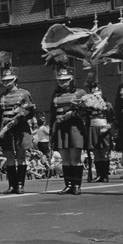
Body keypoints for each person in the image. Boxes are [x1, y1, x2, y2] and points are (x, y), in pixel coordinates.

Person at [0, 64, 36, 194]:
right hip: (6, 128)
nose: (6, 82)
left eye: (8, 80)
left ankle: (21, 185)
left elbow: (31, 111)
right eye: (4, 80)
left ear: (15, 80)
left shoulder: (24, 93)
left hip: (20, 127)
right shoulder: (1, 96)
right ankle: (12, 185)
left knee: (21, 156)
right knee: (9, 156)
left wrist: (22, 115)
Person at [47, 63, 87, 195]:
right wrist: (51, 130)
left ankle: (76, 185)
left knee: (75, 158)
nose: (62, 83)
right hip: (60, 127)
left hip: (74, 127)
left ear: (71, 80)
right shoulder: (55, 94)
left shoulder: (80, 92)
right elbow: (52, 113)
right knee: (65, 158)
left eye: (65, 80)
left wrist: (74, 113)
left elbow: (86, 111)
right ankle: (68, 185)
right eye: (60, 80)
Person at [81, 76, 114, 183]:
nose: (95, 94)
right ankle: (99, 174)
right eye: (93, 91)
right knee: (96, 153)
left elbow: (112, 118)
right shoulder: (88, 105)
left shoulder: (107, 105)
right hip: (92, 129)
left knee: (104, 153)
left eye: (97, 91)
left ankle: (105, 175)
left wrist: (108, 127)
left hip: (104, 128)